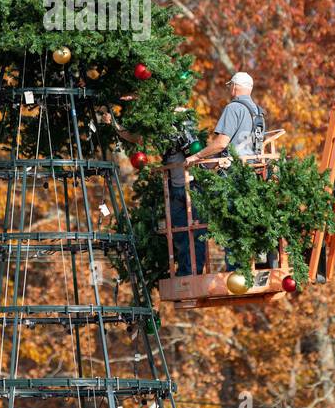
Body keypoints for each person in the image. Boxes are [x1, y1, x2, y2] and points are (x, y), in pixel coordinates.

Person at [99, 106, 206, 276]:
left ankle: (194, 272)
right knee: (179, 233)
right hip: (175, 188)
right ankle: (186, 272)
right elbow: (139, 138)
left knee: (195, 231)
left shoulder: (189, 137)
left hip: (191, 187)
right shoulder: (165, 135)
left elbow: (197, 153)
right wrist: (116, 126)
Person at [184, 71, 274, 269]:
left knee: (211, 213)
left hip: (233, 176)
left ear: (234, 87)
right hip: (254, 173)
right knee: (246, 221)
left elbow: (221, 143)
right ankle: (256, 266)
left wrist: (197, 157)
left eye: (229, 86)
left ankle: (223, 268)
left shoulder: (234, 108)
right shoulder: (258, 112)